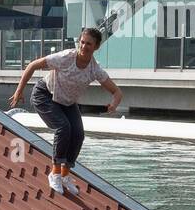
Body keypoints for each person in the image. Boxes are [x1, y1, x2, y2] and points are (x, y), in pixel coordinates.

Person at [8, 26, 122, 195]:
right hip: (45, 95)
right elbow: (33, 65)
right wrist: (19, 91)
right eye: (82, 42)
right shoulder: (65, 58)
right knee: (64, 128)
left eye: (88, 44)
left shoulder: (94, 69)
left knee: (78, 134)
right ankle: (54, 173)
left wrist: (114, 104)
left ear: (96, 47)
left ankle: (65, 175)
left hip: (67, 103)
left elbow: (117, 92)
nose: (84, 47)